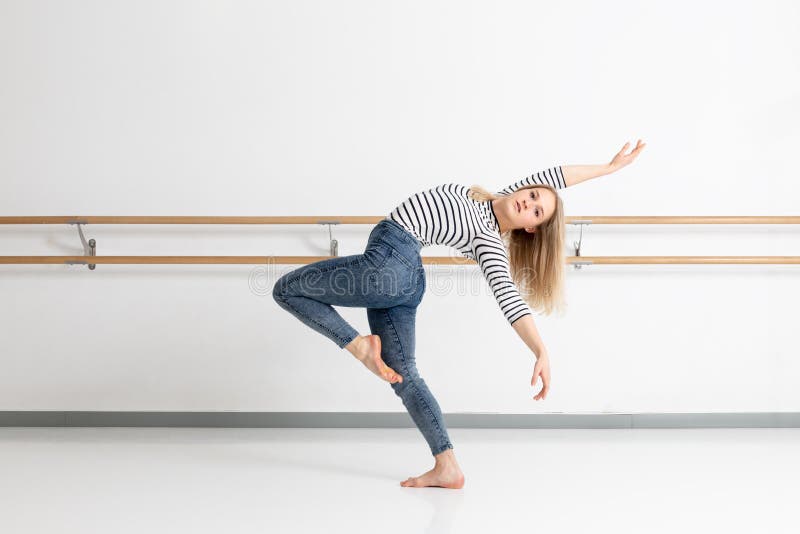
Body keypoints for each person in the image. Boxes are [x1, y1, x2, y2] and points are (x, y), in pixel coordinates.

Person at [273, 140, 646, 489]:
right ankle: (447, 465)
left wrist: (541, 351)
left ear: (530, 227)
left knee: (285, 289)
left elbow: (509, 299)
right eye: (532, 195)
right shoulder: (496, 198)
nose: (529, 202)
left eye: (536, 211)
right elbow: (557, 176)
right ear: (526, 187)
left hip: (390, 259)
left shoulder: (490, 242)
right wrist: (608, 169)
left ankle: (358, 348)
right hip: (407, 278)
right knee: (404, 375)